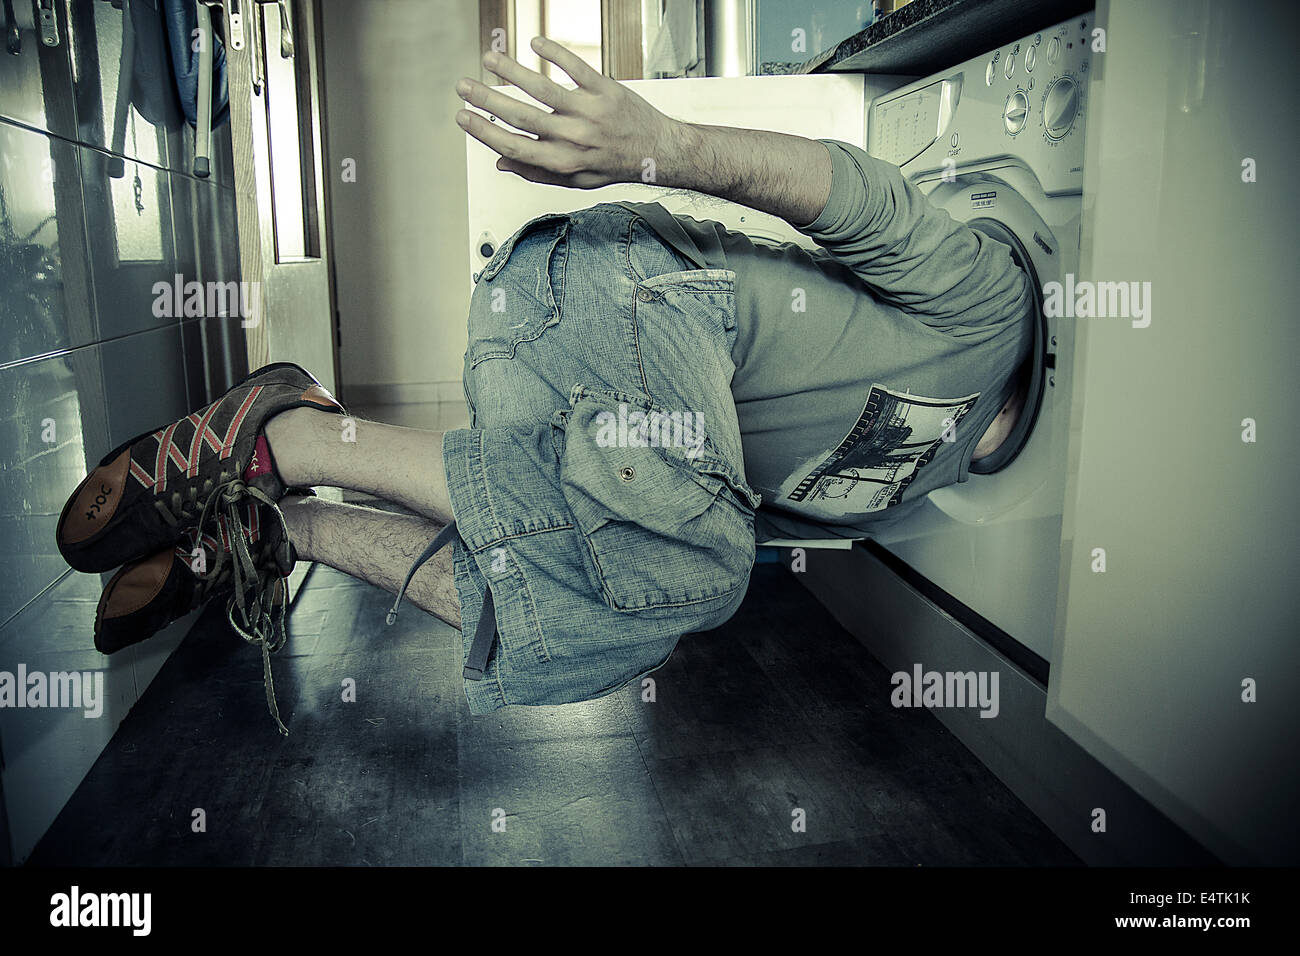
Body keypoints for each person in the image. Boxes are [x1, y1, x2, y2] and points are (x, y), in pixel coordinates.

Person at [56, 38, 1032, 733]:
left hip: (602, 399)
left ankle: (274, 528)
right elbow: (860, 194)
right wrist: (667, 146)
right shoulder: (994, 307)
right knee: (695, 569)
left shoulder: (915, 499)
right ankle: (288, 438)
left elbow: (644, 526)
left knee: (586, 623)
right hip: (628, 291)